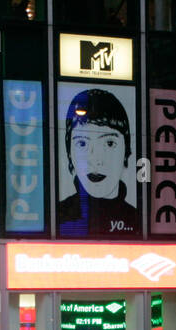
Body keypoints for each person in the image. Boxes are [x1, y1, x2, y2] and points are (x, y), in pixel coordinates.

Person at [56, 88, 138, 237]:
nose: (95, 160)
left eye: (109, 143)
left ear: (126, 152)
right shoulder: (58, 216)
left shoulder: (137, 220)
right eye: (82, 143)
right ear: (69, 154)